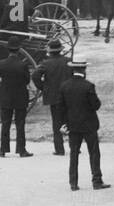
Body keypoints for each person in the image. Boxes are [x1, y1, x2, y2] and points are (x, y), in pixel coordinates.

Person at [60, 60, 109, 190]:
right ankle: (96, 180)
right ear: (84, 70)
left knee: (74, 154)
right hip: (89, 124)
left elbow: (62, 108)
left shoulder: (65, 86)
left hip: (73, 125)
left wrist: (65, 123)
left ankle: (73, 182)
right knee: (94, 153)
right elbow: (96, 105)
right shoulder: (88, 86)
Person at [33, 40, 72, 155]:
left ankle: (59, 149)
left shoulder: (46, 63)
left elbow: (35, 76)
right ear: (60, 50)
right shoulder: (68, 61)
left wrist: (44, 88)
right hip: (68, 96)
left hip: (54, 96)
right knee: (70, 120)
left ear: (50, 51)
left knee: (57, 123)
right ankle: (74, 146)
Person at [0, 39, 33, 158]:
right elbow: (27, 80)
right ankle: (21, 150)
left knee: (5, 124)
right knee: (20, 124)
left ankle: (3, 150)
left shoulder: (1, 63)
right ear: (18, 50)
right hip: (20, 97)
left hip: (6, 96)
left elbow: (0, 76)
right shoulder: (23, 65)